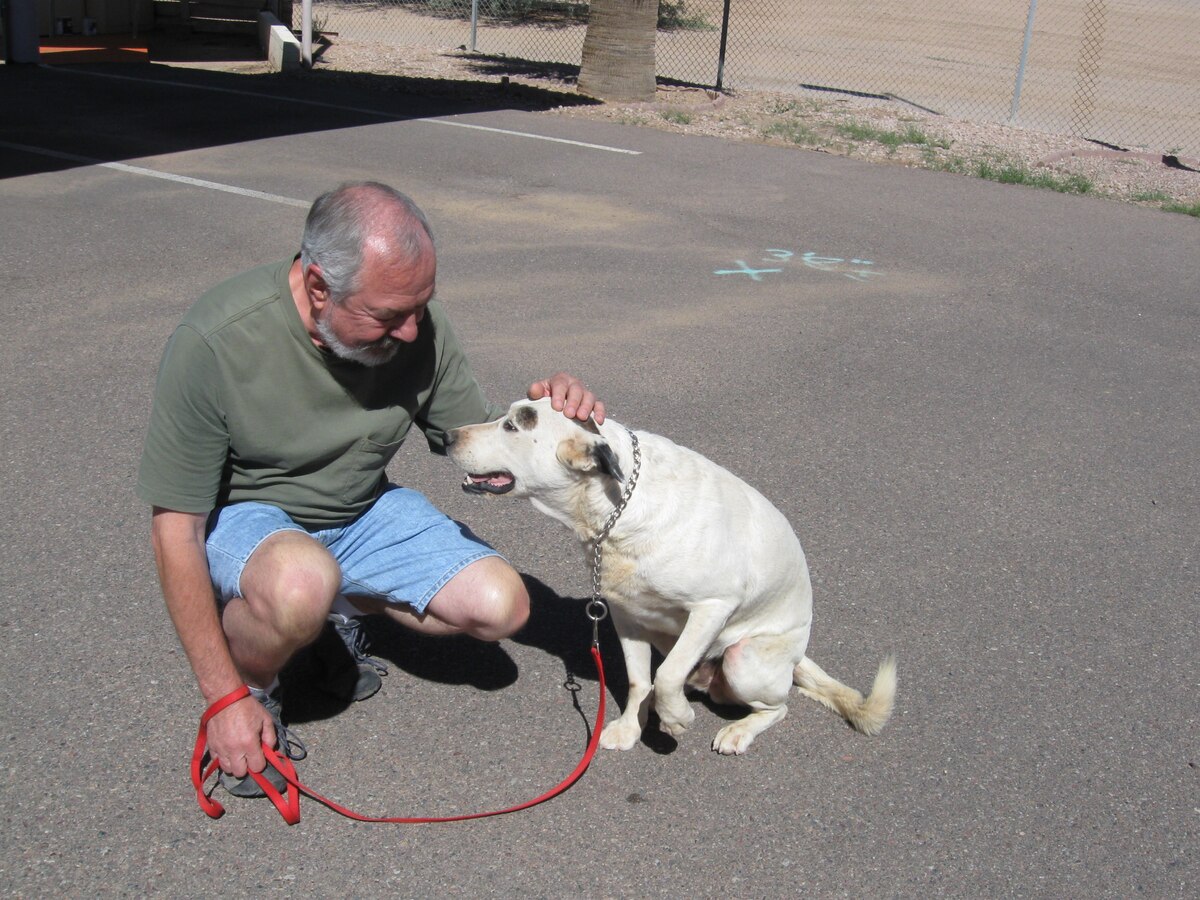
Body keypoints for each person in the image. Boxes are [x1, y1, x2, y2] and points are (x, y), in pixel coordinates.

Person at [138, 181, 604, 797]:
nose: (412, 332)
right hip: (250, 520)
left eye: (420, 307)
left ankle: (329, 613)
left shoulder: (411, 324)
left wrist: (553, 417)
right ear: (318, 286)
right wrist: (223, 696)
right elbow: (177, 527)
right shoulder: (215, 341)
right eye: (388, 316)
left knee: (502, 607)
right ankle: (258, 682)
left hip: (360, 510)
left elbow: (468, 437)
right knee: (300, 584)